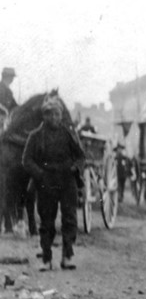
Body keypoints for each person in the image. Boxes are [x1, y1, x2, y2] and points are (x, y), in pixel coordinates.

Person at [22, 99, 85, 271]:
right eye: (51, 114)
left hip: (67, 181)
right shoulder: (35, 136)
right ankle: (46, 258)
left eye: (58, 114)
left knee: (70, 218)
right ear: (44, 116)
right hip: (46, 182)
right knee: (47, 220)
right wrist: (40, 174)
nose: (55, 118)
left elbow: (80, 156)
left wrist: (74, 168)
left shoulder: (68, 134)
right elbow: (26, 160)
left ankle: (67, 256)